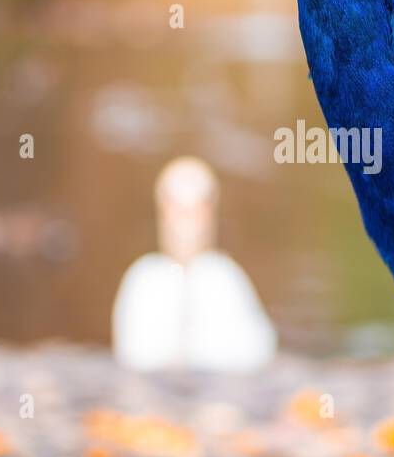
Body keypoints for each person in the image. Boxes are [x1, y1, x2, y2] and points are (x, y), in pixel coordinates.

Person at [112, 158, 277, 372]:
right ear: (163, 209)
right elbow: (132, 356)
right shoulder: (143, 279)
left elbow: (258, 354)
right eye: (177, 207)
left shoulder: (225, 278)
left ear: (209, 211)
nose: (187, 220)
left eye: (196, 208)